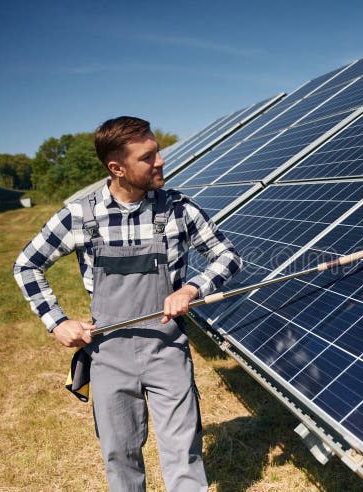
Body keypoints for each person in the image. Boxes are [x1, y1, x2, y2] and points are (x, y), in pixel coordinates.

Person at [13, 116, 241, 491]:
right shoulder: (80, 216)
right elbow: (26, 265)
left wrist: (191, 289)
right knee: (120, 456)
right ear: (116, 168)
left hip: (167, 348)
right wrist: (57, 321)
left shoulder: (178, 209)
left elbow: (227, 256)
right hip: (108, 355)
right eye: (147, 157)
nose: (160, 162)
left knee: (183, 452)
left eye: (157, 152)